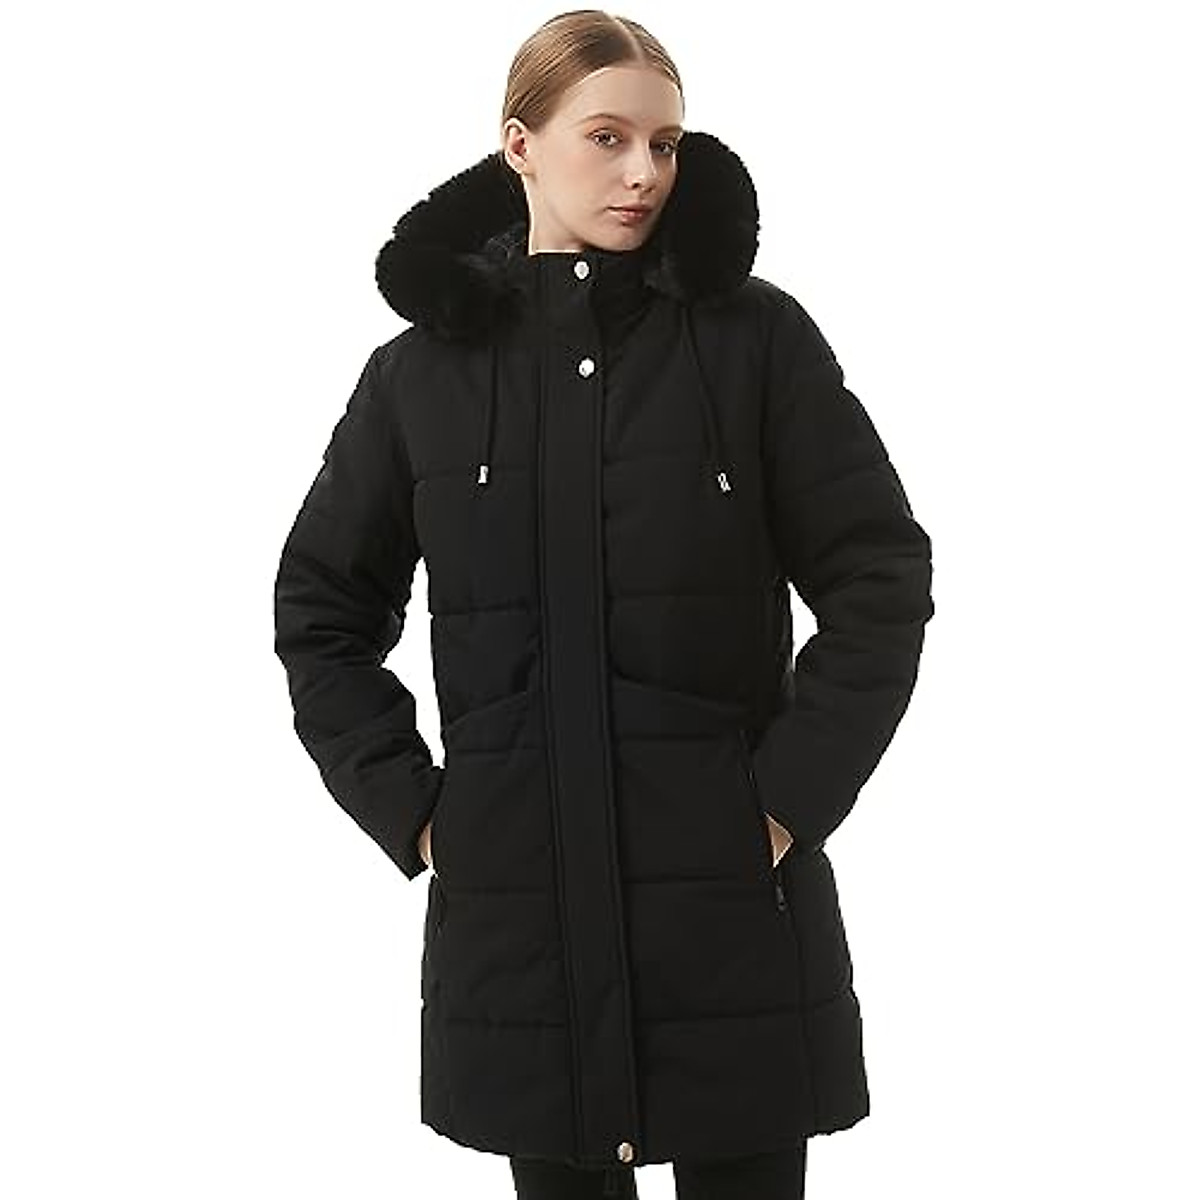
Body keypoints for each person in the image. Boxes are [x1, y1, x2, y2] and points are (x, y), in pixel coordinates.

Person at [272, 9, 934, 1199]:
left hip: (730, 914)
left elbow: (879, 576)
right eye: (608, 137)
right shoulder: (418, 377)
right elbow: (322, 609)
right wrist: (418, 817)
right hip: (520, 928)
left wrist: (786, 802)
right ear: (520, 144)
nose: (644, 174)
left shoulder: (754, 342)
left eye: (666, 144)